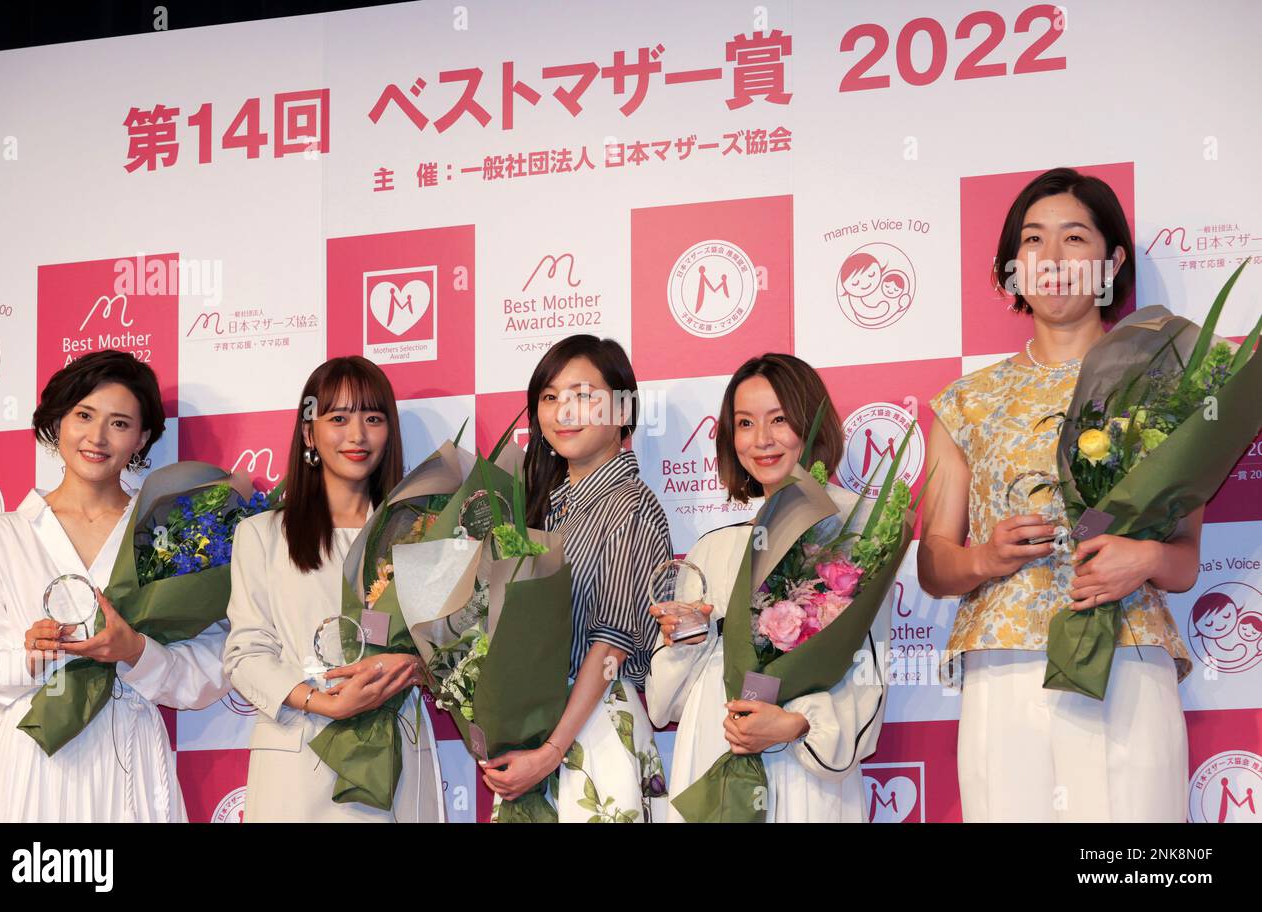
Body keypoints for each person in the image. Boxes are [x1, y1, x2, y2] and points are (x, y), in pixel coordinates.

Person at [918, 167, 1199, 822]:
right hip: (1004, 670)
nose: (1051, 259)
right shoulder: (967, 403)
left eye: (1074, 238)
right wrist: (985, 558)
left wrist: (1144, 559)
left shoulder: (1160, 387)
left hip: (1124, 655)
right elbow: (934, 562)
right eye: (1032, 240)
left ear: (1112, 260)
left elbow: (1184, 558)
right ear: (1013, 266)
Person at [0, 350, 227, 822]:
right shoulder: (4, 536)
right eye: (84, 415)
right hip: (32, 760)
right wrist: (28, 654)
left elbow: (212, 667)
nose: (97, 437)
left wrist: (137, 651)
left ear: (142, 437)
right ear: (58, 420)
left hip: (129, 756)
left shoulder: (168, 534)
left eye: (120, 423)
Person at [647, 353, 888, 822]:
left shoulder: (853, 535)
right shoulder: (710, 550)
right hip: (714, 754)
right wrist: (686, 639)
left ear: (811, 424)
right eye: (744, 423)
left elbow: (866, 667)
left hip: (802, 769)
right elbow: (665, 704)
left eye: (779, 419)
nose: (761, 440)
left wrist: (796, 725)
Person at [223, 356, 443, 822]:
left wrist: (414, 667)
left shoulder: (421, 534)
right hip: (299, 757)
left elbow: (455, 653)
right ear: (309, 433)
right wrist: (328, 703)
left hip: (396, 756)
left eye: (373, 418)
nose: (357, 435)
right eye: (338, 418)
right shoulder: (262, 535)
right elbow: (245, 654)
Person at [480, 335, 672, 823]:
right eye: (550, 397)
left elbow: (611, 647)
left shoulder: (630, 505)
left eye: (584, 395)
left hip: (595, 734)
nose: (565, 410)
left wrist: (550, 751)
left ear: (623, 407)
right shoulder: (544, 513)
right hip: (541, 734)